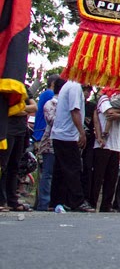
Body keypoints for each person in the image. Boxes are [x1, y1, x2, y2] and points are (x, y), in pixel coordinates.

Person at [49, 78, 93, 212]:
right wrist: (81, 132)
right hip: (67, 135)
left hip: (60, 133)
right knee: (73, 168)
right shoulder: (74, 87)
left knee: (60, 170)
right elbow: (75, 111)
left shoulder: (69, 86)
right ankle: (77, 200)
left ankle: (56, 201)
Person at [90, 90, 120, 212]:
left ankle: (106, 205)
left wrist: (119, 115)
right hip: (103, 144)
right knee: (98, 176)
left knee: (112, 177)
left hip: (116, 145)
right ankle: (93, 203)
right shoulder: (104, 99)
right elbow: (109, 112)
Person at [0, 94, 35, 211]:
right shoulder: (6, 87)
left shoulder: (24, 88)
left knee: (15, 167)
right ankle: (1, 200)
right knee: (3, 166)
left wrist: (18, 109)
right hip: (6, 131)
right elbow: (6, 109)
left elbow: (34, 107)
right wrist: (24, 109)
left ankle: (12, 201)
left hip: (21, 131)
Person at [33, 74, 59, 211]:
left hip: (40, 133)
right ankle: (44, 203)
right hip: (45, 135)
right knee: (47, 172)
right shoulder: (50, 96)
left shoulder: (44, 95)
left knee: (45, 172)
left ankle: (41, 203)